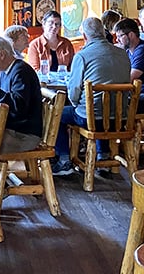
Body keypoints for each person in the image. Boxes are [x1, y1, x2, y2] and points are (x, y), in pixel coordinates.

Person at [52, 17, 132, 176]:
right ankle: (102, 156)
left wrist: (75, 105)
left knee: (57, 114)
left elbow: (74, 91)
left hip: (91, 118)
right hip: (121, 118)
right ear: (104, 33)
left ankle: (64, 160)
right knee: (101, 108)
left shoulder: (82, 56)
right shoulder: (123, 53)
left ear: (85, 37)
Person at [0, 35, 43, 153]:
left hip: (23, 134)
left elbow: (18, 106)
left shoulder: (21, 71)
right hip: (9, 128)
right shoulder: (5, 70)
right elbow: (4, 101)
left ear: (2, 55)